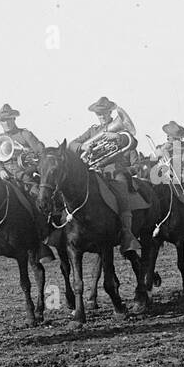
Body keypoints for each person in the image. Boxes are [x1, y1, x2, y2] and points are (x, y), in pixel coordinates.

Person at [0, 103, 53, 265]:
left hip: (25, 179)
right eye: (2, 120)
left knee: (39, 201)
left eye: (8, 119)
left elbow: (41, 153)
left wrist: (29, 167)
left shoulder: (25, 135)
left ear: (14, 118)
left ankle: (42, 240)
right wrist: (0, 170)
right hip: (6, 179)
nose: (6, 123)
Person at [73, 96, 140, 254]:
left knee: (122, 193)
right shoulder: (92, 130)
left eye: (104, 113)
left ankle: (127, 234)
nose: (101, 116)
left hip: (115, 170)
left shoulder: (119, 129)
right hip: (95, 170)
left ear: (110, 112)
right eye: (98, 114)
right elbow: (72, 144)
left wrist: (118, 137)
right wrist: (83, 146)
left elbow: (133, 141)